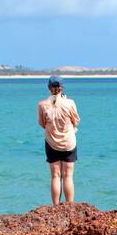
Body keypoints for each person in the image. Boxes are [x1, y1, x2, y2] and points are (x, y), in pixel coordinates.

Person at [38, 76, 80, 206]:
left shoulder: (42, 105)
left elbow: (42, 123)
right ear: (62, 87)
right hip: (69, 142)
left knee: (56, 176)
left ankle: (56, 206)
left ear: (49, 88)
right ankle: (70, 205)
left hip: (52, 142)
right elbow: (76, 120)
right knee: (68, 176)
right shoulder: (70, 103)